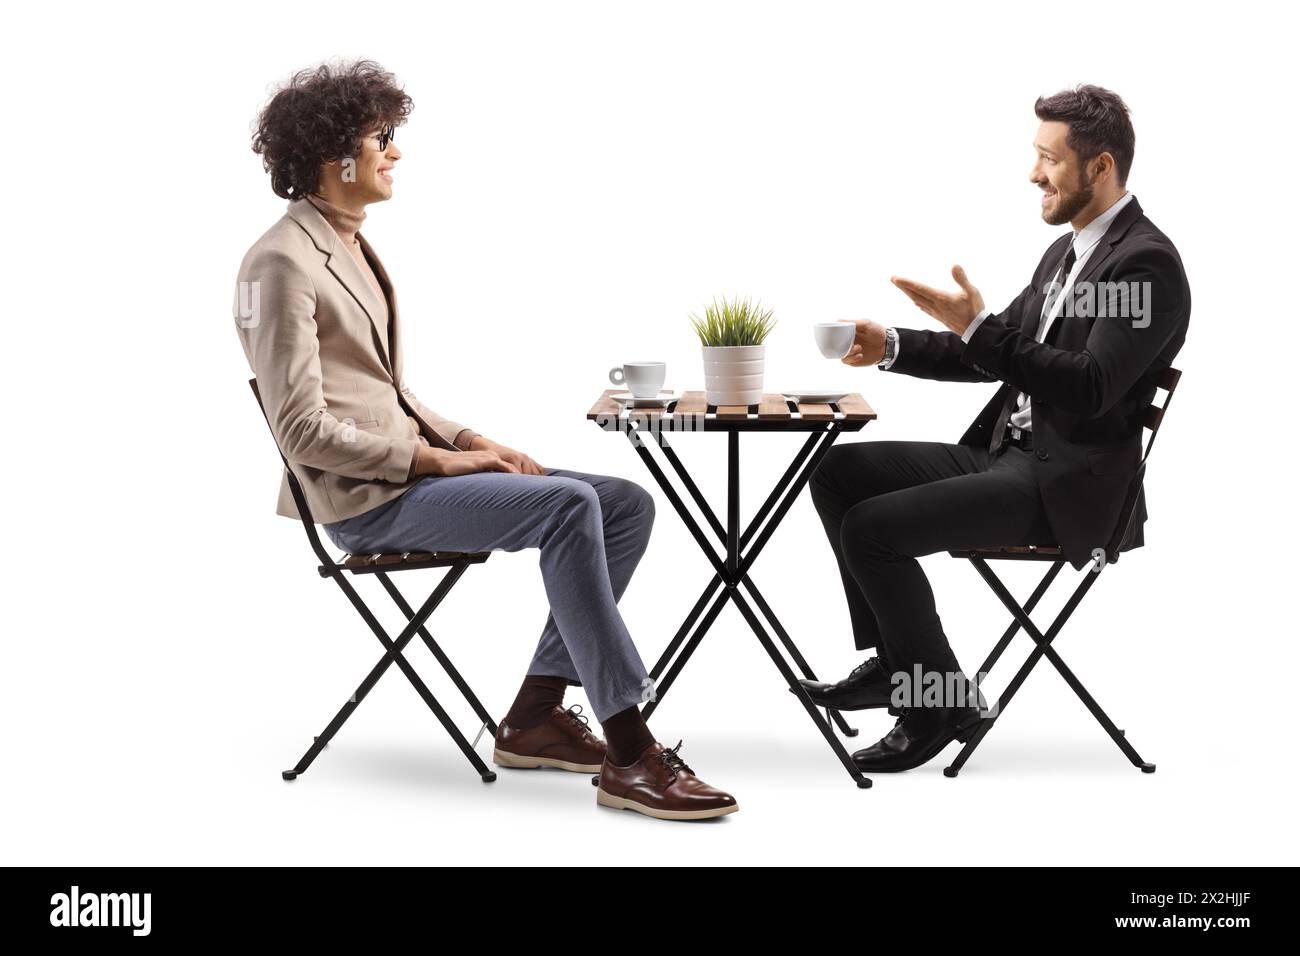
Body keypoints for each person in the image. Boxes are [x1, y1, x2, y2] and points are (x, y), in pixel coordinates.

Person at [235, 59, 736, 820]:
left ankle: (535, 714)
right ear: (335, 154)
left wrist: (473, 438)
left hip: (411, 474)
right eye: (382, 138)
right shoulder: (280, 261)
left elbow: (386, 393)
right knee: (568, 505)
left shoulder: (348, 244)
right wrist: (438, 459)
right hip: (363, 499)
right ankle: (631, 750)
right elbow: (301, 428)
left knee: (623, 502)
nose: (395, 153)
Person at [799, 84, 1190, 772]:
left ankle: (938, 700)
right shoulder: (1068, 255)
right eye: (1036, 155)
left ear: (1100, 167)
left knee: (872, 531)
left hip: (1064, 487)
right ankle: (901, 667)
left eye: (1050, 159)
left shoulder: (1143, 264)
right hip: (1010, 460)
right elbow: (994, 349)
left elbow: (1091, 385)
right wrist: (891, 344)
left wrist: (981, 330)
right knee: (837, 474)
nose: (1034, 174)